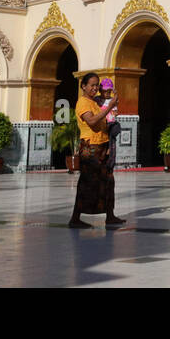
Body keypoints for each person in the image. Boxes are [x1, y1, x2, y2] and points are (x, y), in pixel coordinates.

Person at [69, 72, 125, 228]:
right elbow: (92, 121)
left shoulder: (94, 102)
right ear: (83, 86)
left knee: (107, 180)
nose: (95, 88)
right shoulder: (83, 103)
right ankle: (75, 217)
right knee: (87, 182)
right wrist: (109, 108)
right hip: (90, 148)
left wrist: (111, 119)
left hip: (101, 145)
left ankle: (110, 215)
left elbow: (101, 123)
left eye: (96, 85)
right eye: (92, 85)